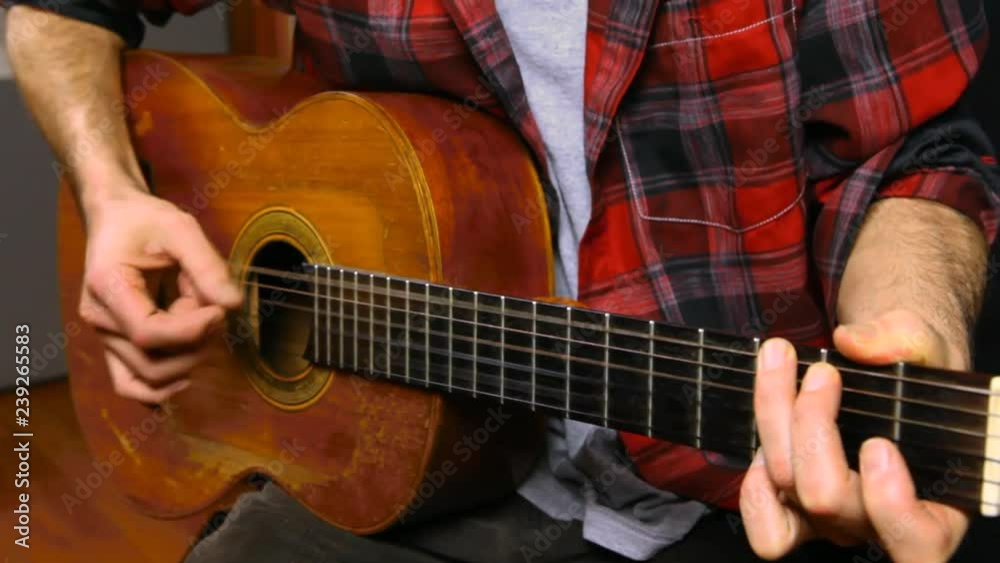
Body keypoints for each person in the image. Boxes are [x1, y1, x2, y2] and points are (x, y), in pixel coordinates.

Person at [4, 1, 999, 561]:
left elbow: (917, 155)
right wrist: (109, 189)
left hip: (731, 491)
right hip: (403, 461)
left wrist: (909, 316)